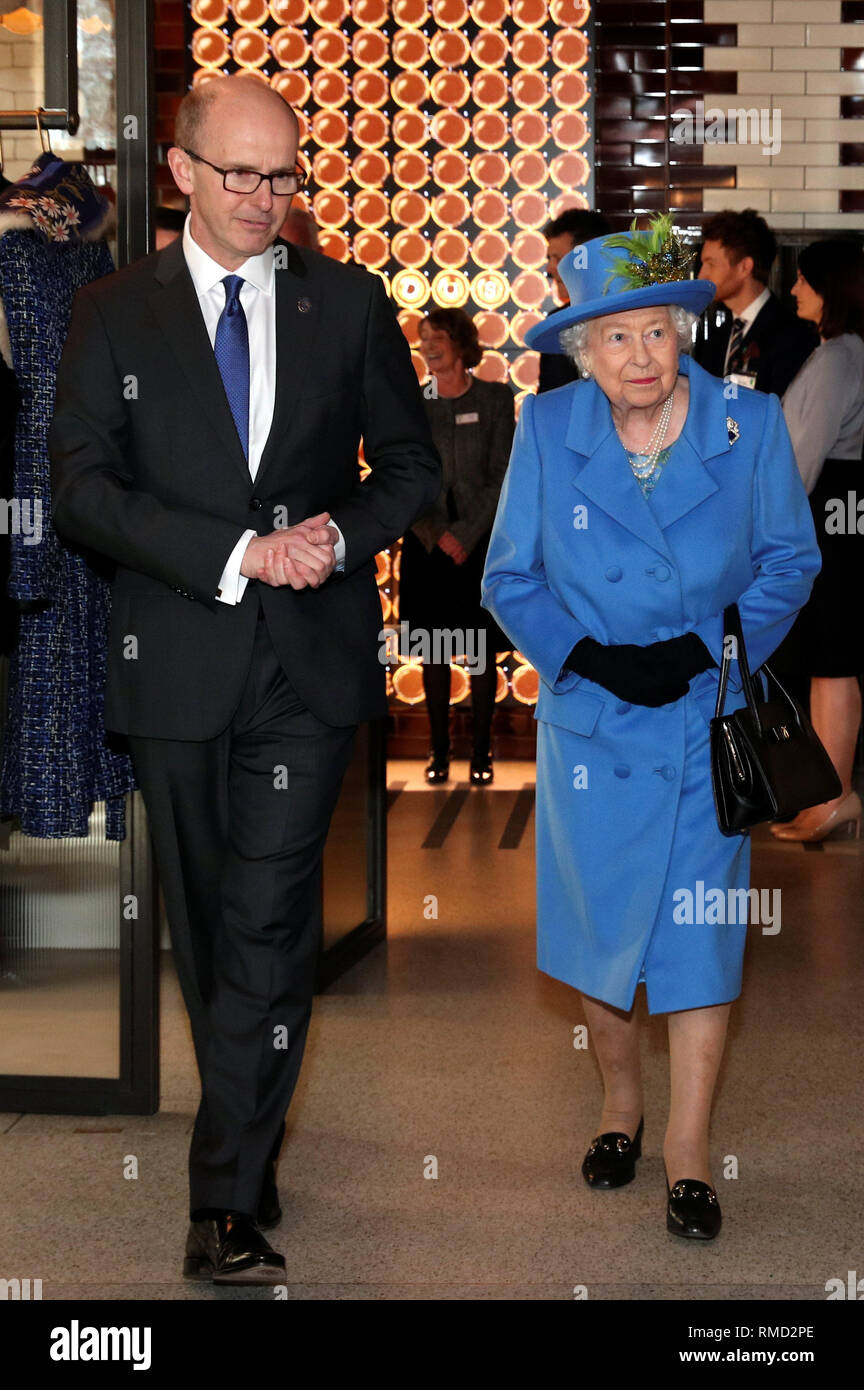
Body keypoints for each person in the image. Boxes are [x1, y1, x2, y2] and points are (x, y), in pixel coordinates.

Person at [48, 75, 441, 1284]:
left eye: (285, 177)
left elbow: (413, 470)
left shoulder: (352, 302)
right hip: (173, 657)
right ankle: (249, 1131)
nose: (267, 199)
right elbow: (82, 490)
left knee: (270, 924)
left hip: (303, 671)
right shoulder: (114, 312)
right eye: (241, 174)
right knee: (214, 927)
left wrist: (335, 534)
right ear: (179, 172)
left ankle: (220, 1198)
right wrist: (233, 553)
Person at [482, 215, 821, 1239]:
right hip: (591, 727)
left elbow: (791, 564)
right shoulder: (548, 431)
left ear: (688, 331)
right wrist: (583, 656)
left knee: (701, 940)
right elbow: (509, 576)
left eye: (660, 332)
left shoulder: (747, 427)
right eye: (617, 338)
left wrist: (715, 647)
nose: (641, 356)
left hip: (700, 728)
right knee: (599, 940)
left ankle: (685, 1148)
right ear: (586, 350)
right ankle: (620, 1103)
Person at [770, 239, 864, 842]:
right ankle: (833, 795)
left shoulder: (837, 357)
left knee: (832, 660)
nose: (796, 292)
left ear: (834, 290)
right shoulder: (845, 351)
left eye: (805, 281)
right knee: (837, 660)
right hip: (843, 513)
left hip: (830, 516)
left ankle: (833, 796)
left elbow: (801, 460)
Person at [399, 307, 514, 784]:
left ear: (461, 342)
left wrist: (465, 533)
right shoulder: (410, 402)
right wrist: (435, 532)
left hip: (479, 544)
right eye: (423, 337)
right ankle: (439, 751)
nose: (428, 344)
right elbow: (402, 474)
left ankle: (483, 753)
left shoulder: (493, 397)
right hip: (427, 544)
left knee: (481, 651)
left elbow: (503, 472)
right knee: (434, 650)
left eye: (438, 335)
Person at [695, 208, 816, 397]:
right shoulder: (718, 336)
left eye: (711, 264)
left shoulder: (793, 337)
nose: (702, 275)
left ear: (745, 267)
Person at [537, 208, 611, 395]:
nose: (550, 268)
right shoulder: (557, 324)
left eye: (558, 259)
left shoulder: (632, 314)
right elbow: (550, 399)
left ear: (588, 260)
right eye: (549, 258)